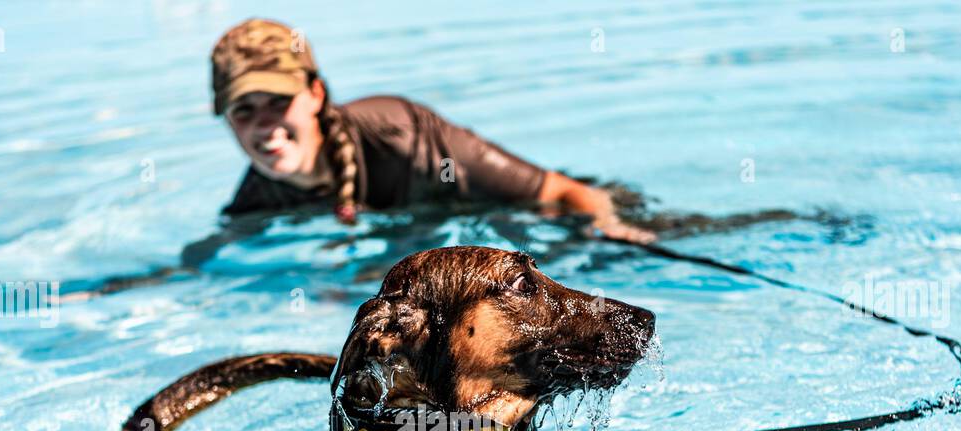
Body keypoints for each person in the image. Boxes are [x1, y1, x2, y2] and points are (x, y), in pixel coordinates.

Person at [179, 17, 655, 269]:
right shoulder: (255, 200)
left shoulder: (403, 136)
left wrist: (608, 225)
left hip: (544, 225)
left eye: (277, 102)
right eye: (244, 110)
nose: (263, 126)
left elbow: (566, 194)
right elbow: (207, 257)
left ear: (315, 94)